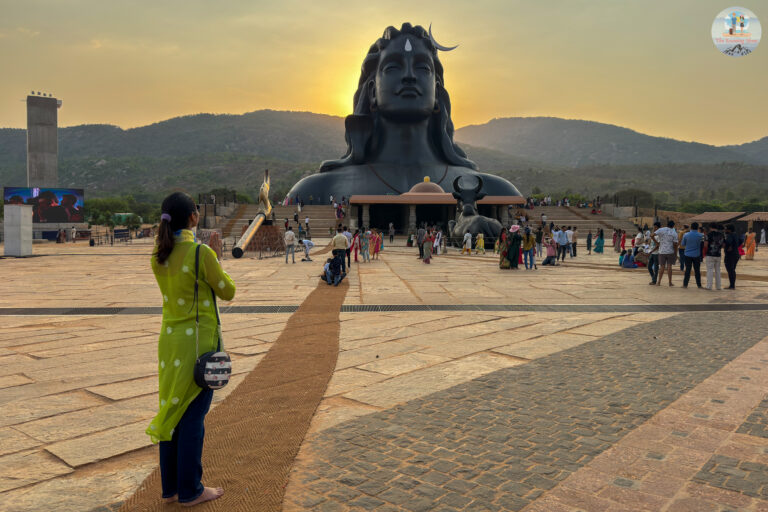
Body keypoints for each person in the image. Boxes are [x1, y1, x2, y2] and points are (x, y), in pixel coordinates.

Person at [149, 192, 233, 506]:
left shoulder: (159, 254)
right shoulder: (200, 253)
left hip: (169, 344)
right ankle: (191, 490)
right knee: (193, 417)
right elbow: (228, 291)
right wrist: (216, 257)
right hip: (199, 346)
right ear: (194, 218)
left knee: (172, 411)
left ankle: (170, 488)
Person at [680, 222, 704, 288]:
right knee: (697, 270)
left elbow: (682, 244)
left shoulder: (686, 235)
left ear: (691, 227)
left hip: (687, 254)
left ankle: (685, 284)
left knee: (687, 270)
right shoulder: (701, 235)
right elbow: (703, 245)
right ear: (697, 227)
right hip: (697, 255)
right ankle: (699, 285)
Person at [655, 220, 678, 287]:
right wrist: (675, 253)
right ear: (673, 226)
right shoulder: (674, 233)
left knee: (662, 267)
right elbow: (675, 244)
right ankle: (670, 282)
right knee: (669, 267)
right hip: (670, 251)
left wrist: (657, 243)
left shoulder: (661, 230)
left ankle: (659, 282)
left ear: (667, 224)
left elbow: (652, 235)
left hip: (662, 251)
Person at [704, 223, 724, 290]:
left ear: (710, 227)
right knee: (718, 271)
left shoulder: (708, 235)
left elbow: (705, 245)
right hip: (718, 254)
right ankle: (718, 286)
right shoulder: (721, 235)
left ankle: (709, 286)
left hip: (710, 254)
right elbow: (723, 245)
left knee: (710, 270)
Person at [724, 224, 740, 289]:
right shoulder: (736, 235)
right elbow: (739, 242)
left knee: (730, 270)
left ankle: (732, 285)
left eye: (726, 229)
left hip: (730, 255)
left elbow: (728, 243)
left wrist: (728, 246)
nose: (725, 230)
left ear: (729, 230)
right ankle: (732, 285)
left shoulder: (730, 235)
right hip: (736, 254)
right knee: (732, 270)